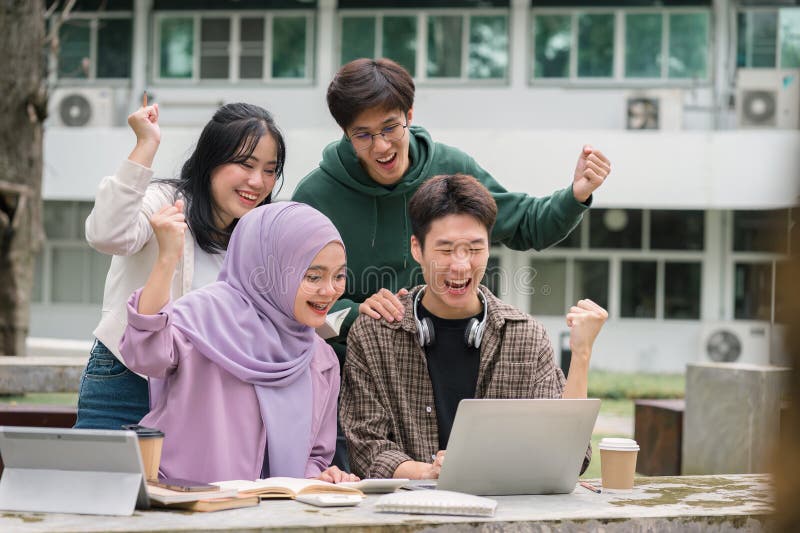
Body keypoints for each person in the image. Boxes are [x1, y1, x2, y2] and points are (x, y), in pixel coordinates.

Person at [292, 57, 612, 357]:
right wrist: (352, 315)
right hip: (349, 364)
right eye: (363, 134)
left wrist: (576, 195)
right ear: (346, 134)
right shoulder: (316, 196)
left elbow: (526, 225)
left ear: (410, 116)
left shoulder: (451, 168)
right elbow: (290, 295)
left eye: (390, 127)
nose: (381, 145)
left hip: (442, 354)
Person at [339, 174, 608, 479]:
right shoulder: (375, 333)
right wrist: (431, 472)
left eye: (474, 248)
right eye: (445, 249)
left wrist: (581, 353)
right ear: (417, 249)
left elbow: (569, 456)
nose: (461, 265)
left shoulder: (525, 335)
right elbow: (366, 450)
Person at [75, 102, 286, 430]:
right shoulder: (166, 202)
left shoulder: (258, 236)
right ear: (212, 159)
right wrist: (146, 143)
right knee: (102, 480)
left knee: (185, 486)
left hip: (205, 394)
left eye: (270, 170)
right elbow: (107, 235)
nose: (258, 181)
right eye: (246, 164)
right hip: (129, 378)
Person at [119, 202, 357, 483]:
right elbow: (145, 355)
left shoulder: (320, 359)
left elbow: (315, 456)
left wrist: (321, 478)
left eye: (339, 276)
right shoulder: (203, 317)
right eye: (313, 276)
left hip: (269, 517)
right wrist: (166, 259)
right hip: (187, 506)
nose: (329, 290)